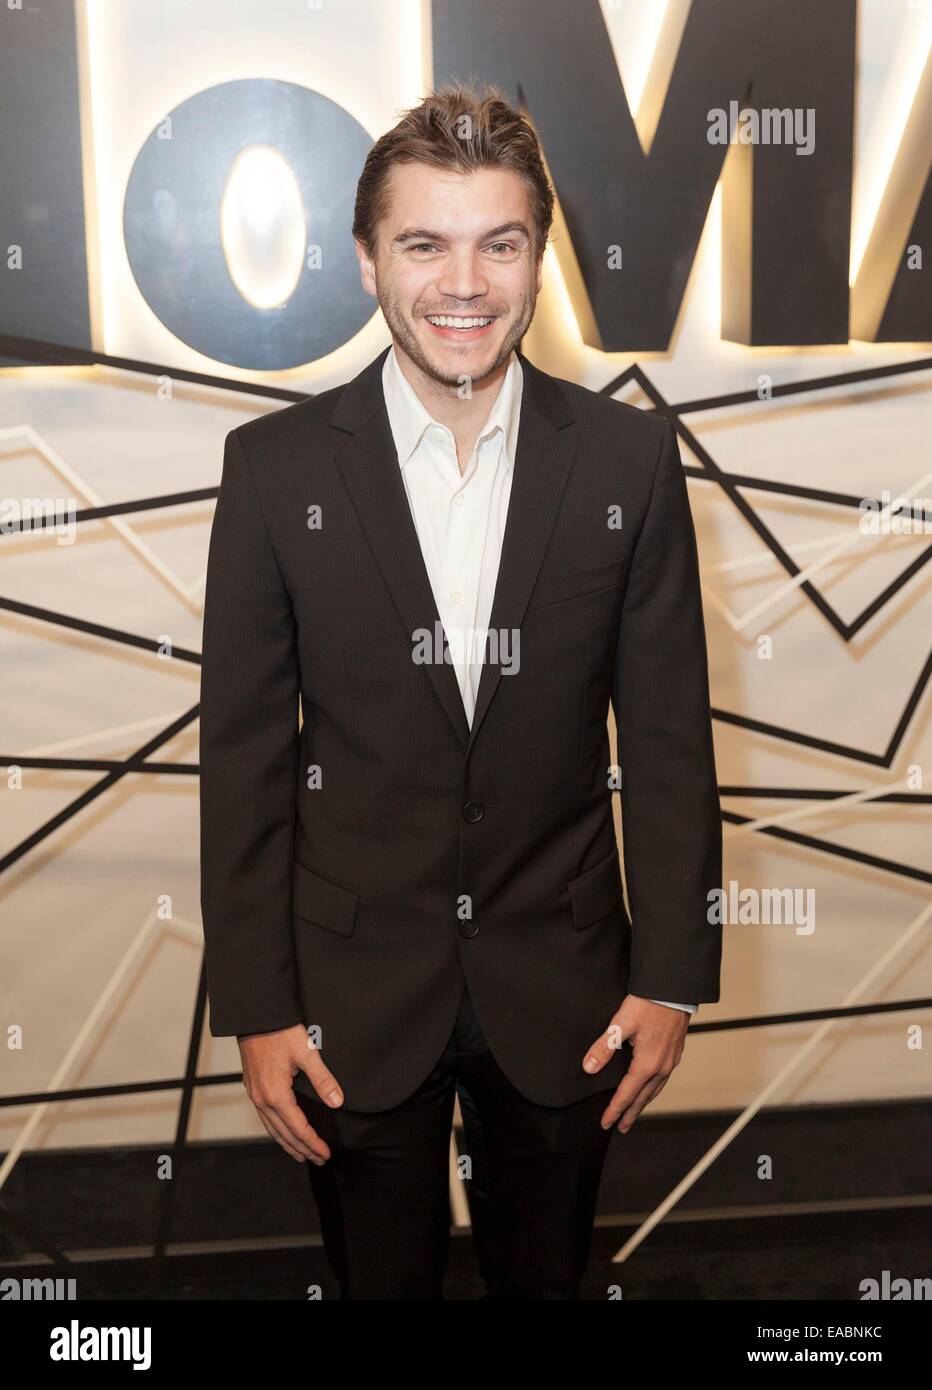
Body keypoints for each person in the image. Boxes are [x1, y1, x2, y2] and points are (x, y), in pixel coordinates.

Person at [199, 81, 722, 1299]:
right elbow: (244, 759)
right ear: (368, 258)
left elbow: (663, 739)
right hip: (346, 998)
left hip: (569, 989)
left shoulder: (628, 460)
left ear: (539, 256)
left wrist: (669, 976)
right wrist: (257, 1005)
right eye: (423, 243)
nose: (463, 283)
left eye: (499, 242)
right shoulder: (272, 472)